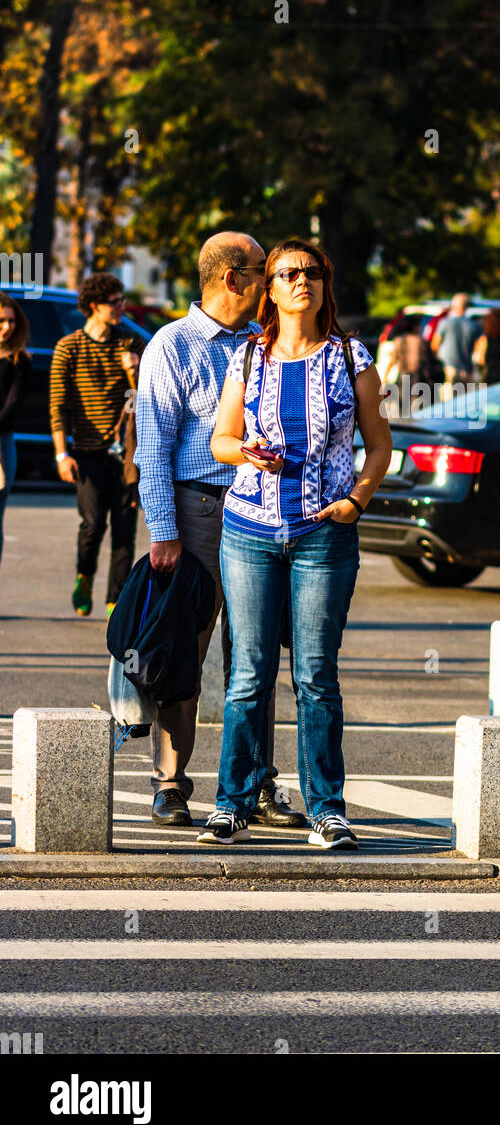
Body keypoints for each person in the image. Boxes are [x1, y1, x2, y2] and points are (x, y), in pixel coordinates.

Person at [199, 238, 393, 849]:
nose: (300, 281)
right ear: (270, 289)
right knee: (248, 675)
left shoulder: (351, 355)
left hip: (323, 534)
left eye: (310, 272)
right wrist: (243, 452)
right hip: (250, 530)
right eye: (287, 273)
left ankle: (327, 809)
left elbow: (380, 445)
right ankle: (232, 802)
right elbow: (220, 441)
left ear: (322, 284)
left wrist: (356, 500)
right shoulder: (247, 358)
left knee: (315, 676)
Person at [134, 232, 303, 831]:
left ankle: (256, 783)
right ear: (233, 278)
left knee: (253, 656)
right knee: (186, 651)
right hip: (198, 512)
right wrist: (164, 530)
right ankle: (170, 782)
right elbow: (151, 448)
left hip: (263, 508)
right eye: (265, 271)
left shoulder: (267, 345)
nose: (274, 282)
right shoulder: (172, 346)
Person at [49, 274, 145, 619]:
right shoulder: (68, 347)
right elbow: (58, 406)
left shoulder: (131, 343)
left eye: (122, 300)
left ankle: (115, 600)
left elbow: (143, 400)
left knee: (124, 526)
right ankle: (84, 575)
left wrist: (134, 372)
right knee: (92, 523)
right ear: (94, 306)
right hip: (87, 451)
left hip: (126, 455)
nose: (122, 307)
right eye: (115, 302)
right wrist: (62, 453)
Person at [0, 295, 32, 566]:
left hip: (2, 445)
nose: (6, 327)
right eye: (1, 321)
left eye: (11, 321)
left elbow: (12, 405)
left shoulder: (20, 359)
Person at [379, 313, 437, 415]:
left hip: (402, 378)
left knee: (402, 410)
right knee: (419, 409)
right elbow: (429, 363)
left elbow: (392, 361)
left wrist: (385, 378)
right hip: (419, 379)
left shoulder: (398, 341)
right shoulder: (422, 342)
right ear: (415, 328)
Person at [431, 293, 479, 386]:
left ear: (453, 306)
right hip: (467, 370)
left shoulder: (444, 323)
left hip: (447, 369)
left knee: (449, 399)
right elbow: (480, 346)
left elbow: (434, 345)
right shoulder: (474, 325)